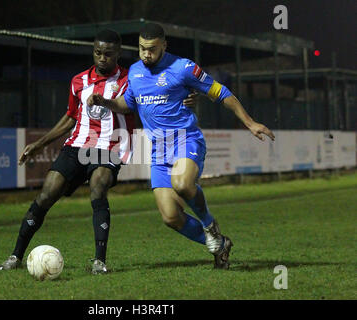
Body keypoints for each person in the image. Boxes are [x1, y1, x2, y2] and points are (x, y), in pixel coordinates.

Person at [0, 29, 198, 274]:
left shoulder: (132, 78)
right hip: (77, 145)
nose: (103, 58)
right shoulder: (78, 81)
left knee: (98, 185)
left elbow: (159, 93)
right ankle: (15, 255)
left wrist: (186, 99)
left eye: (109, 54)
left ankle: (99, 262)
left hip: (111, 144)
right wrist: (39, 144)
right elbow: (71, 117)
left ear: (118, 54)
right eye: (98, 53)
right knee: (47, 192)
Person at [87, 23, 275, 269]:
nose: (146, 54)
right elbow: (128, 103)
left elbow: (220, 91)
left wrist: (249, 123)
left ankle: (209, 223)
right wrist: (107, 102)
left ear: (164, 45)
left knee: (183, 183)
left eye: (152, 49)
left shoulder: (183, 68)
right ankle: (220, 244)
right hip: (157, 151)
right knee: (170, 216)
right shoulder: (134, 72)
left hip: (186, 139)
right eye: (142, 49)